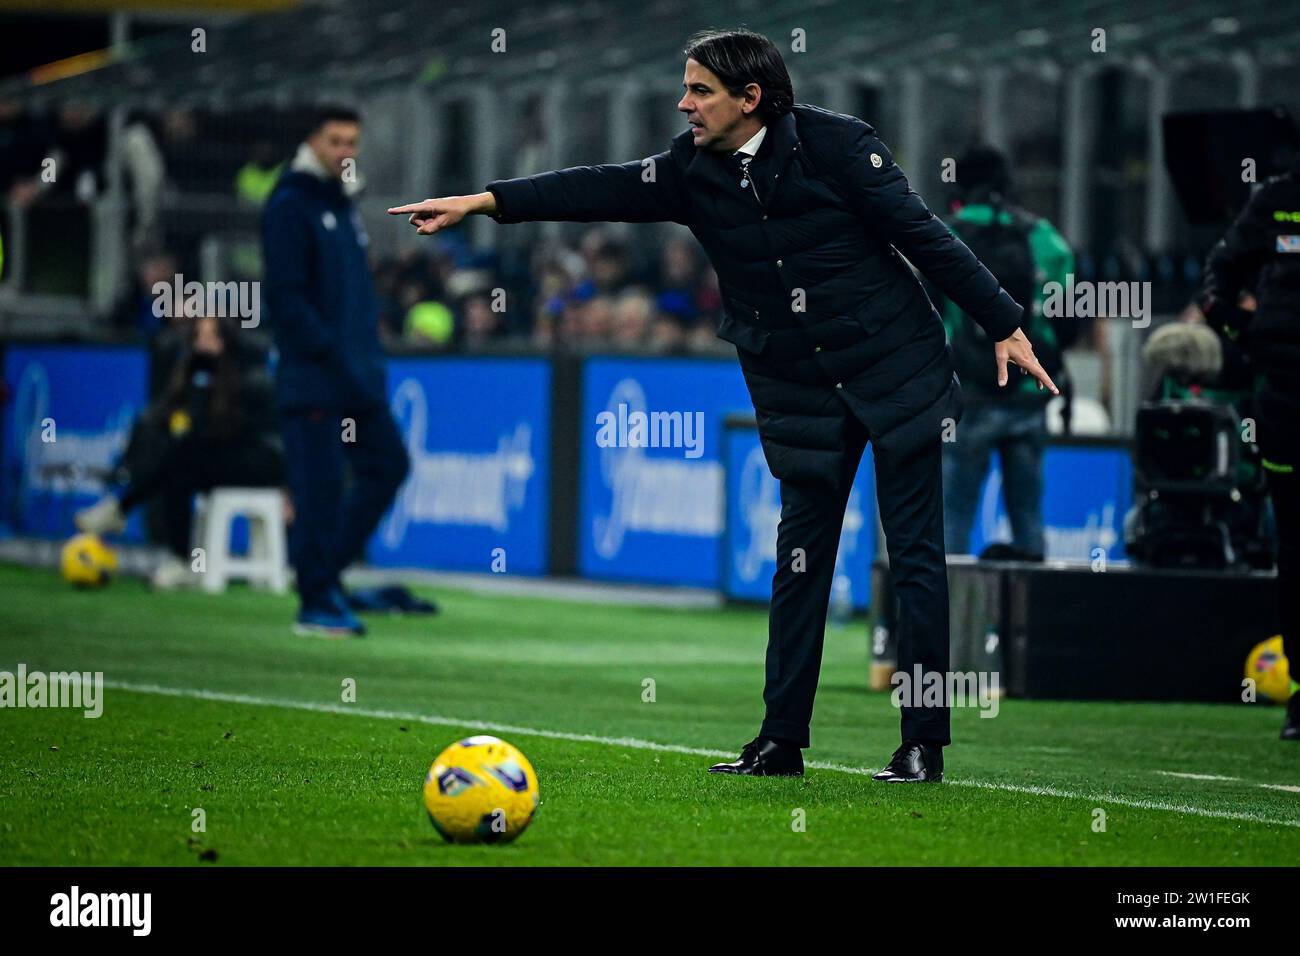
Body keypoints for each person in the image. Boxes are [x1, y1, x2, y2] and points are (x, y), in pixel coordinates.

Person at [390, 28, 1056, 782]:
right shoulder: (689, 170)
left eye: (700, 91)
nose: (685, 104)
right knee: (799, 564)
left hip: (896, 372)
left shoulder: (842, 148)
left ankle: (922, 743)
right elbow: (597, 186)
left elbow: (925, 236)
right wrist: (485, 202)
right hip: (800, 388)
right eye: (686, 88)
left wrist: (1004, 324)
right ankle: (779, 743)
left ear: (752, 97)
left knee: (915, 562)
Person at [263, 105, 430, 637]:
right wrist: (332, 354)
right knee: (320, 489)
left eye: (352, 142)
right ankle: (314, 601)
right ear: (310, 143)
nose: (346, 152)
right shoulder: (290, 203)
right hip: (315, 377)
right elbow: (287, 301)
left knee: (387, 464)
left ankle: (327, 576)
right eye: (335, 141)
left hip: (355, 376)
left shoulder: (342, 203)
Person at [1197, 145, 1300, 739]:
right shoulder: (1276, 199)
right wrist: (1250, 336)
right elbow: (1219, 279)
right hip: (1285, 394)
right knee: (1292, 542)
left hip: (1279, 388)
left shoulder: (1275, 197)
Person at [934, 146, 1075, 561]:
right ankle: (1031, 619)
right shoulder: (1042, 237)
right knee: (1028, 516)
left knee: (953, 517)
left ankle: (947, 619)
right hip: (1028, 399)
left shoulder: (946, 234)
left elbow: (927, 317)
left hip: (968, 397)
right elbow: (1067, 321)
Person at [75, 316, 286, 589]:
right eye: (200, 336)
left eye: (212, 337)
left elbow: (245, 435)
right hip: (212, 461)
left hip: (258, 464)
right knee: (177, 466)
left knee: (182, 456)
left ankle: (122, 509)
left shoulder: (249, 379)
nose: (205, 344)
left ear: (228, 340)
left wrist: (286, 488)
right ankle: (178, 557)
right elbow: (170, 419)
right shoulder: (196, 373)